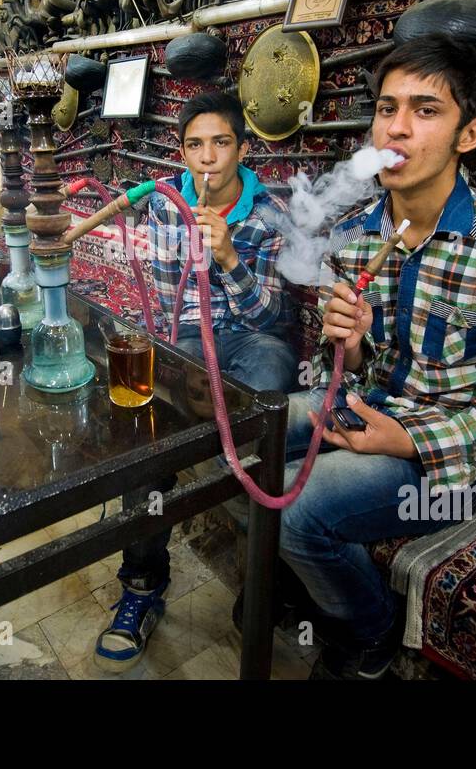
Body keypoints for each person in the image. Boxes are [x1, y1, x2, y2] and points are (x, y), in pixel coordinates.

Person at [279, 35, 476, 679]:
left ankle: (370, 632)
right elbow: (362, 371)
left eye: (426, 110)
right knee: (250, 437)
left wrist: (407, 441)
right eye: (387, 109)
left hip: (462, 459)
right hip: (373, 406)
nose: (398, 129)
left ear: (470, 134)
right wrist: (350, 350)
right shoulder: (355, 235)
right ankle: (304, 582)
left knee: (298, 511)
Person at [93, 90, 298, 672]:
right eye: (194, 145)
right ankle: (141, 589)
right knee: (148, 435)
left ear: (243, 147)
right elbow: (164, 302)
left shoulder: (268, 218)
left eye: (221, 143)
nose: (207, 159)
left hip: (252, 341)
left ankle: (263, 583)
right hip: (187, 339)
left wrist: (230, 257)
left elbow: (272, 318)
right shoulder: (163, 206)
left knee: (269, 389)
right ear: (182, 152)